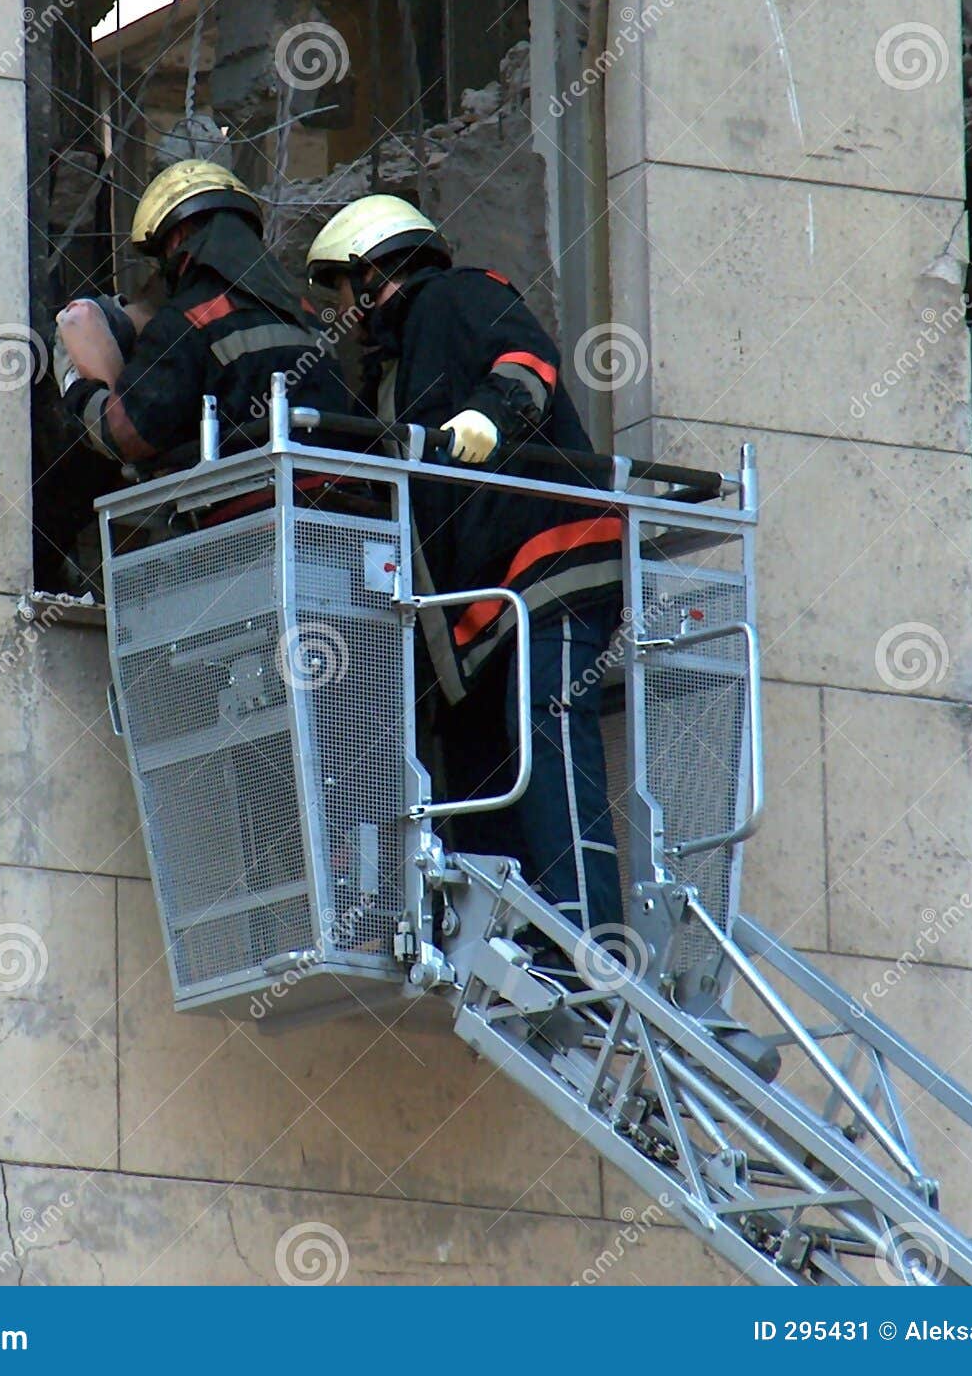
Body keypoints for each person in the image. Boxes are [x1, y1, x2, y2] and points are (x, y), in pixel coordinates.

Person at [306, 194, 624, 935]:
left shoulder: (459, 295)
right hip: (477, 612)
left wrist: (488, 415)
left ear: (374, 269)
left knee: (549, 728)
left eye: (343, 291)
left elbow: (525, 361)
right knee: (482, 766)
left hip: (550, 567)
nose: (340, 313)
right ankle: (516, 935)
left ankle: (587, 936)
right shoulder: (392, 375)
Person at [54, 159, 351, 474]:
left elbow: (128, 435)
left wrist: (78, 387)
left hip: (242, 508)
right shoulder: (308, 319)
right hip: (330, 499)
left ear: (178, 238)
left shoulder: (189, 320)